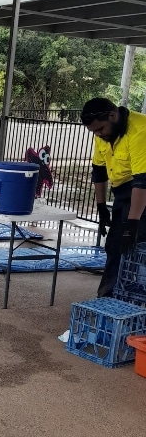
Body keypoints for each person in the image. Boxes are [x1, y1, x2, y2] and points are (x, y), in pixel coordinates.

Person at [80, 96, 146, 297]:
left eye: (100, 129)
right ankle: (114, 299)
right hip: (124, 191)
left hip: (140, 189)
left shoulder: (140, 131)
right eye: (94, 132)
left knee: (128, 245)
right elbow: (99, 170)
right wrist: (101, 207)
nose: (98, 135)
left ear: (113, 115)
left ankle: (114, 300)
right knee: (116, 246)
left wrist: (133, 223)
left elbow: (142, 181)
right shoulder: (103, 134)